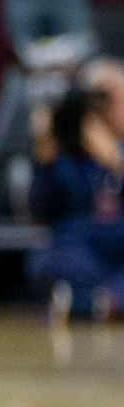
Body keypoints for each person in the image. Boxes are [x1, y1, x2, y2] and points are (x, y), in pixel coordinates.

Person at [29, 87, 124, 321]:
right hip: (79, 250)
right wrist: (45, 154)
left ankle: (88, 303)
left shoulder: (114, 154)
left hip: (117, 250)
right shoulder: (65, 160)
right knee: (45, 262)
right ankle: (99, 303)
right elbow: (40, 208)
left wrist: (116, 163)